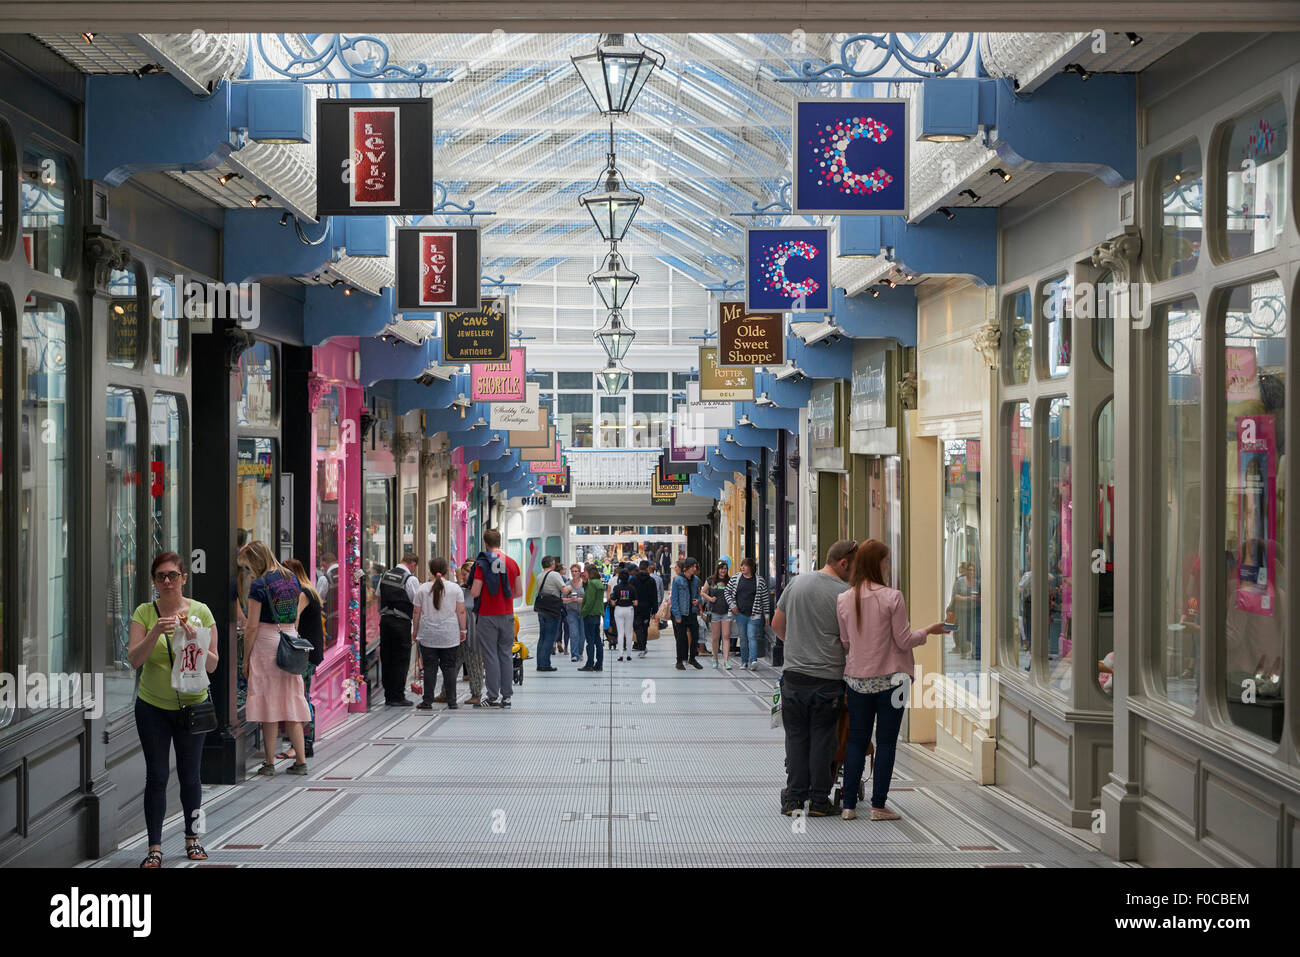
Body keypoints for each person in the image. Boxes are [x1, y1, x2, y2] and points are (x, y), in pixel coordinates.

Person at [837, 540, 947, 820]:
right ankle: (878, 806)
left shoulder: (844, 599)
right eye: (886, 561)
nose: (888, 565)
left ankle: (848, 805)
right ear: (878, 563)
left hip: (857, 680)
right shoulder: (892, 597)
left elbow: (846, 642)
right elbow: (904, 640)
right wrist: (929, 631)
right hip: (893, 681)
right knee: (886, 743)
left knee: (856, 742)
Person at [129, 551, 220, 867]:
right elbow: (134, 660)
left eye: (172, 575)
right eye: (160, 576)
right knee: (156, 776)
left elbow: (213, 664)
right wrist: (156, 631)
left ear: (184, 578)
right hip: (152, 707)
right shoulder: (144, 613)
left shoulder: (201, 612)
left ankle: (193, 839)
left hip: (192, 706)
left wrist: (196, 642)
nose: (166, 581)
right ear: (154, 581)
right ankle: (154, 848)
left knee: (190, 776)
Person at [771, 539, 856, 816]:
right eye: (854, 567)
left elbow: (777, 625)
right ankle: (820, 800)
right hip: (828, 679)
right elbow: (850, 641)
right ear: (843, 563)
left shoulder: (797, 583)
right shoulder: (845, 594)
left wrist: (798, 646)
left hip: (794, 677)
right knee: (823, 739)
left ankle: (793, 798)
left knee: (796, 738)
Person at [239, 540, 311, 777]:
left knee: (268, 702)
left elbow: (251, 626)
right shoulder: (291, 577)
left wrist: (245, 659)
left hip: (267, 642)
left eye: (248, 566)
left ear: (256, 562)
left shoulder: (259, 584)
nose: (248, 571)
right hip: (290, 638)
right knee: (291, 701)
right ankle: (300, 760)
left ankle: (269, 763)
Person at [469, 528, 521, 708]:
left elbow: (475, 591)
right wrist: (503, 598)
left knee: (490, 656)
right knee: (505, 655)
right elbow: (518, 592)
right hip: (507, 615)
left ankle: (492, 697)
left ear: (485, 543)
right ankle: (507, 697)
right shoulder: (512, 563)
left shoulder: (482, 564)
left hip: (487, 616)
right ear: (500, 541)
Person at [281, 559, 324, 760]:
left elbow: (293, 619)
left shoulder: (303, 593)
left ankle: (304, 744)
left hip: (304, 653)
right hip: (311, 651)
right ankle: (304, 743)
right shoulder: (310, 590)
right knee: (303, 696)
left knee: (301, 697)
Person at [411, 557, 468, 710]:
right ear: (446, 570)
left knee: (430, 668)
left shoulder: (422, 589)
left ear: (430, 570)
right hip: (449, 634)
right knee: (449, 667)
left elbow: (416, 612)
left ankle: (427, 701)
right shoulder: (455, 588)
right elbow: (461, 611)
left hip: (428, 634)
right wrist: (463, 630)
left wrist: (415, 630)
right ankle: (452, 701)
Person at [377, 552, 421, 707]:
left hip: (385, 621)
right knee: (401, 659)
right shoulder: (410, 579)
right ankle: (398, 695)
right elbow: (416, 602)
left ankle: (389, 695)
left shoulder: (385, 575)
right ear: (413, 564)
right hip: (401, 622)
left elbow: (378, 596)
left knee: (387, 658)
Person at [727, 556, 772, 670]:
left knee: (752, 636)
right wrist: (732, 605)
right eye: (741, 565)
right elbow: (727, 592)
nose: (742, 567)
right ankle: (744, 661)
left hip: (754, 614)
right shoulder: (735, 578)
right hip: (740, 614)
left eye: (745, 565)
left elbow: (765, 599)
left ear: (751, 567)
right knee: (743, 637)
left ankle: (753, 661)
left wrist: (766, 615)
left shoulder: (759, 581)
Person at [453, 561, 485, 706]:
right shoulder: (461, 589)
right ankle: (446, 692)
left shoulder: (478, 590)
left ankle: (476, 694)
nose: (462, 577)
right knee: (453, 663)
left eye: (464, 575)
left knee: (474, 663)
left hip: (473, 631)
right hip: (460, 631)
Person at [533, 556, 567, 671]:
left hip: (541, 608)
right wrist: (570, 588)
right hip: (551, 609)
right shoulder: (554, 575)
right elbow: (564, 590)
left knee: (542, 636)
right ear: (552, 564)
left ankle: (540, 663)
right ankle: (545, 664)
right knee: (550, 636)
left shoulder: (539, 575)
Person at [671, 557, 703, 671]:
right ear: (687, 568)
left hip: (692, 612)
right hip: (681, 613)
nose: (695, 568)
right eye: (693, 566)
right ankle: (679, 661)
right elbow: (673, 599)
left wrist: (698, 601)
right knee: (681, 639)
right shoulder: (677, 580)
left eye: (695, 566)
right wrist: (677, 615)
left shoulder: (696, 580)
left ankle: (692, 658)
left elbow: (699, 596)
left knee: (695, 637)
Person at [701, 560, 733, 669]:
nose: (723, 570)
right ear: (717, 569)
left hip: (726, 612)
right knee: (715, 637)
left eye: (725, 568)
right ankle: (715, 659)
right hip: (714, 612)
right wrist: (710, 599)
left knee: (726, 636)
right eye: (721, 568)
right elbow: (702, 592)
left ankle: (726, 661)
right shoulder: (711, 580)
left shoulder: (730, 580)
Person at [578, 562, 606, 672]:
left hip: (589, 615)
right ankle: (599, 664)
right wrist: (585, 582)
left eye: (585, 571)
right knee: (597, 640)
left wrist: (583, 612)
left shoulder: (592, 584)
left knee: (590, 641)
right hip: (597, 614)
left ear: (589, 572)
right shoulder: (598, 582)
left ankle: (589, 663)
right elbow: (591, 595)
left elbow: (589, 601)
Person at [631, 560, 657, 658]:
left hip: (635, 607)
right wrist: (654, 610)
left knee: (637, 627)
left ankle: (641, 647)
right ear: (647, 568)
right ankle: (643, 646)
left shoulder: (633, 579)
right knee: (644, 627)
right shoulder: (651, 581)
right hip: (647, 608)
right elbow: (654, 596)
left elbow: (629, 593)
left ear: (639, 568)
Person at [610, 568, 638, 661]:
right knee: (629, 633)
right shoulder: (632, 588)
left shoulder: (617, 588)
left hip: (619, 610)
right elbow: (636, 603)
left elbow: (613, 602)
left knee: (620, 633)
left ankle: (620, 655)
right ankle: (629, 655)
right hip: (629, 610)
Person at [564, 563, 586, 663]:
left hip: (583, 611)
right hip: (571, 611)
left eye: (576, 571)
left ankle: (580, 652)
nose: (574, 573)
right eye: (572, 571)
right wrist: (569, 600)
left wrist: (582, 600)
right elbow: (562, 599)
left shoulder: (585, 583)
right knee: (574, 633)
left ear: (580, 572)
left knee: (582, 634)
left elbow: (588, 598)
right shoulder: (567, 585)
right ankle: (574, 654)